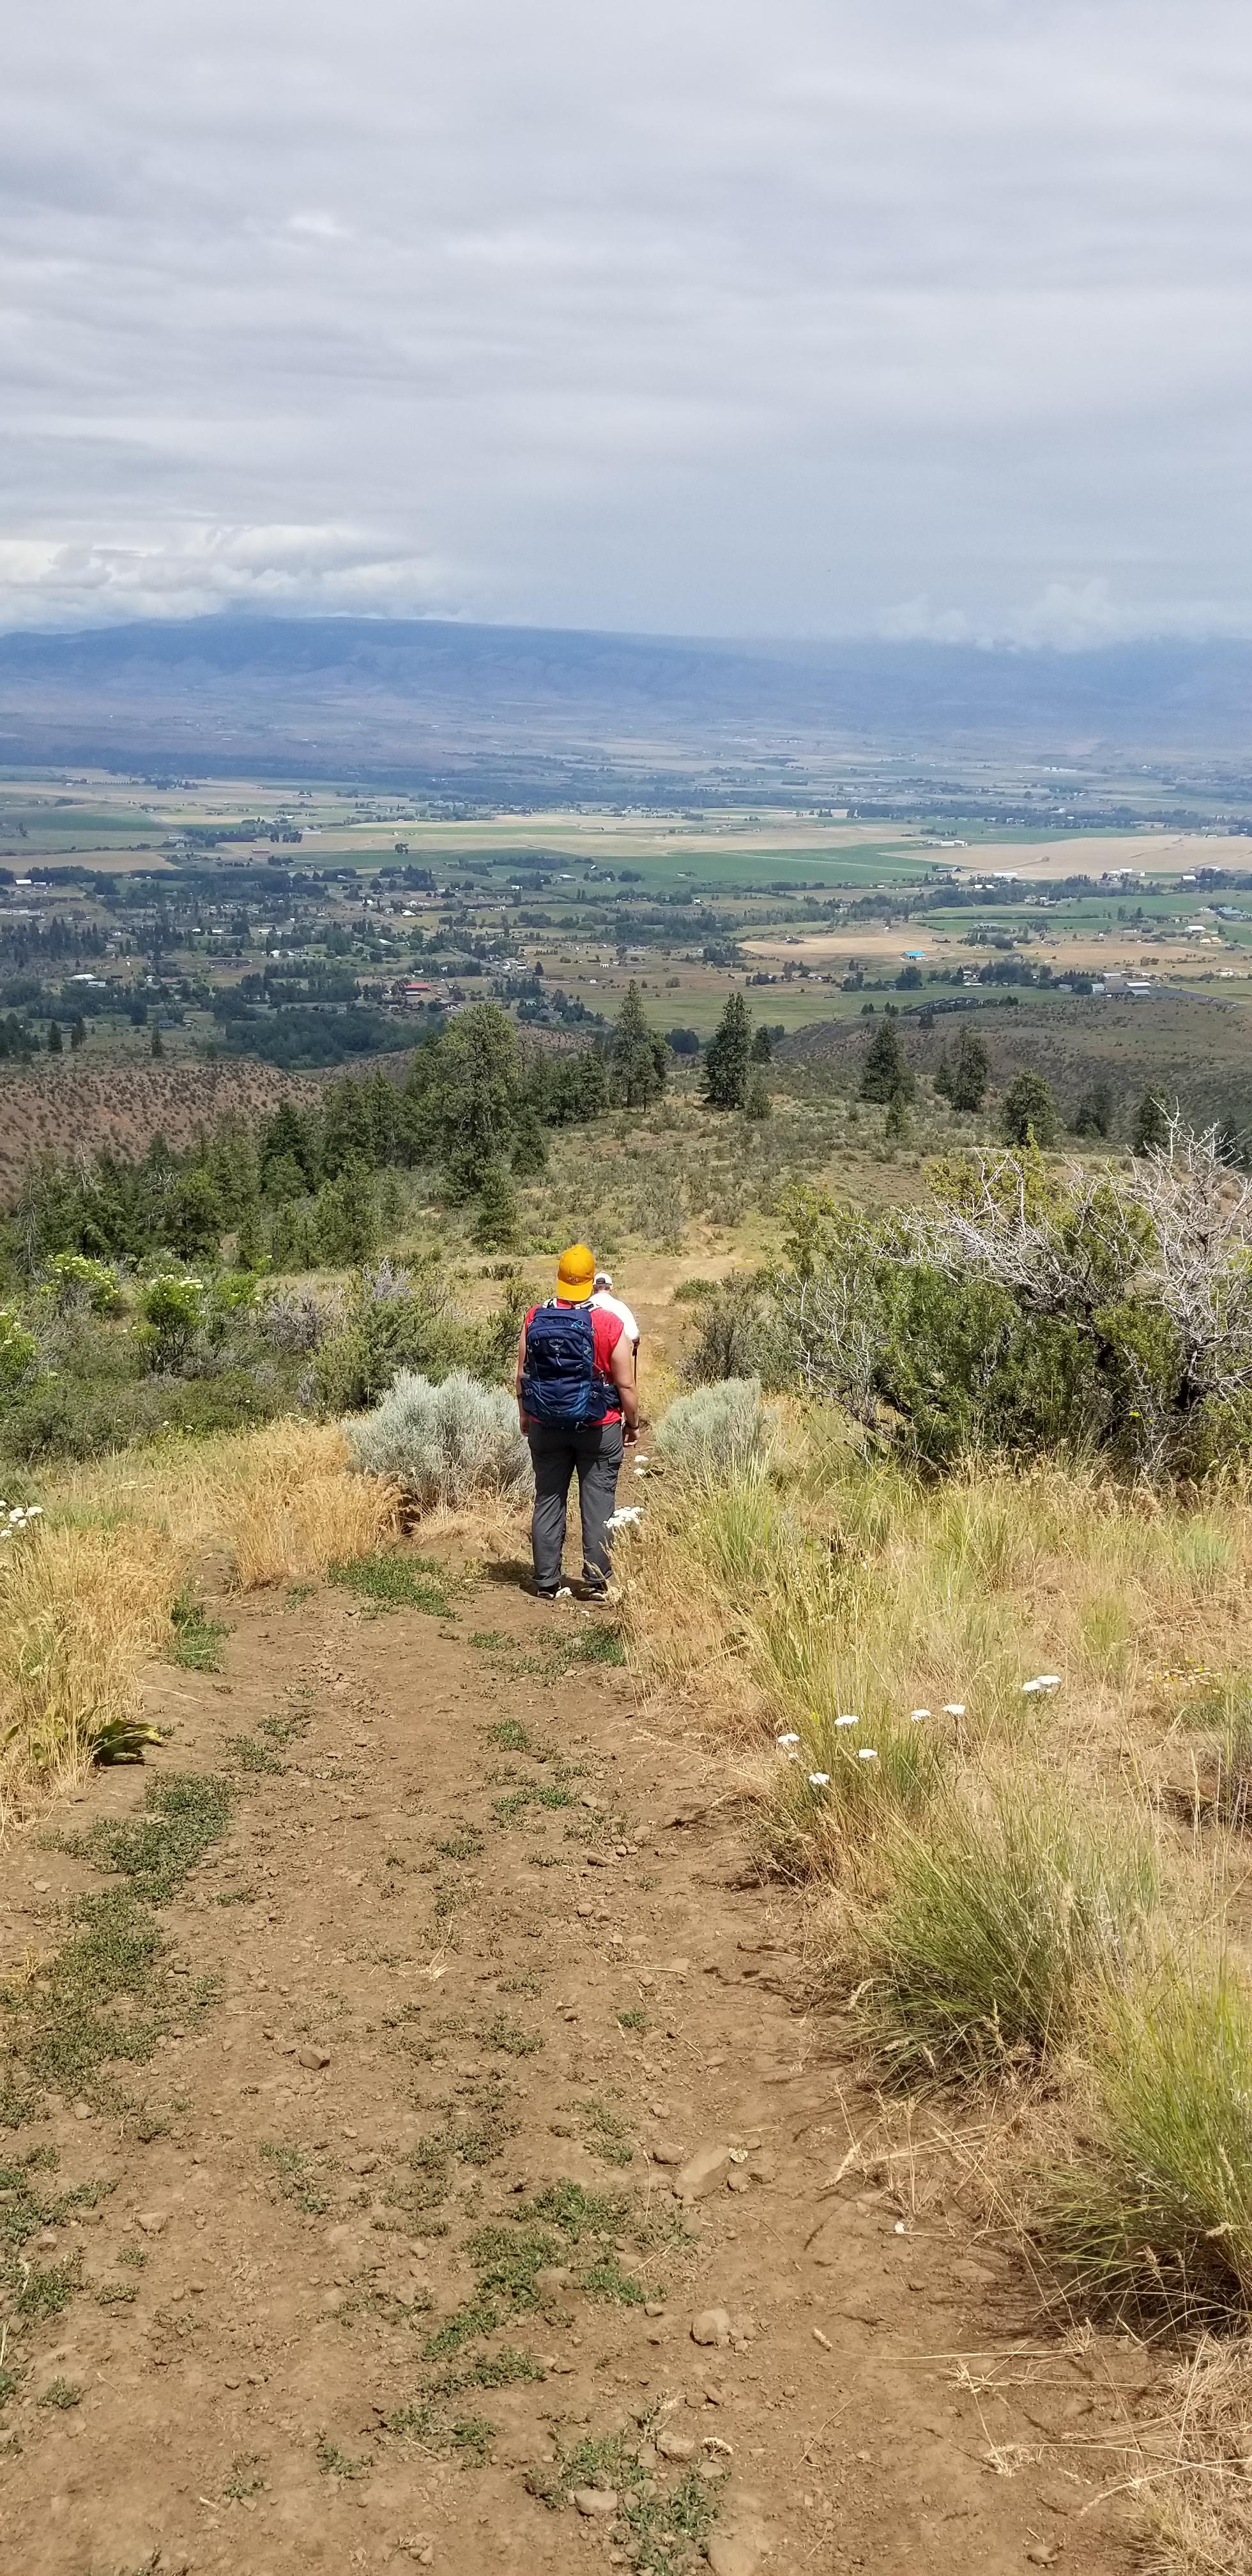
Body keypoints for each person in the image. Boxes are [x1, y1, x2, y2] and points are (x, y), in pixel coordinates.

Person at [517, 1241, 638, 1600]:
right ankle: (598, 1581)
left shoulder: (534, 1317)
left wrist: (526, 1414)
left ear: (559, 1279)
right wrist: (632, 1424)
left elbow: (523, 1373)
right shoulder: (608, 1321)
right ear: (591, 1279)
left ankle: (546, 1581)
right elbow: (626, 1383)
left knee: (549, 1497)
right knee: (599, 1500)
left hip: (545, 1423)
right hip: (598, 1426)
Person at [590, 1270, 639, 1373]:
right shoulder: (620, 1307)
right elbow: (634, 1335)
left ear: (593, 1289)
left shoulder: (584, 1306)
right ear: (611, 1287)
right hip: (614, 1368)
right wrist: (636, 1343)